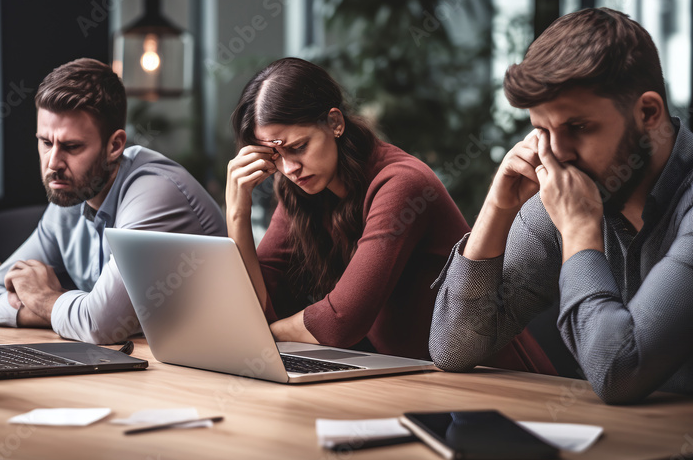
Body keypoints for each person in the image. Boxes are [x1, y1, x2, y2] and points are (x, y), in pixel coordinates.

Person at [430, 8, 693, 404]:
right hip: (621, 448)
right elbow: (453, 348)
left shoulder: (576, 208)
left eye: (579, 127)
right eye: (542, 130)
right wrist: (497, 209)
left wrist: (579, 233)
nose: (556, 154)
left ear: (648, 113)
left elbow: (619, 372)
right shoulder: (571, 189)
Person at [226, 57, 554, 369]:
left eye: (299, 147)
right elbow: (251, 304)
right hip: (418, 380)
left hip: (497, 379)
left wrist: (262, 335)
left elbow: (340, 323)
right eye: (275, 155)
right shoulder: (303, 193)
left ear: (335, 123)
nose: (289, 168)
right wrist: (238, 213)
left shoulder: (401, 184)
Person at [0, 58, 225, 344]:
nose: (53, 163)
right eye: (45, 142)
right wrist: (58, 311)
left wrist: (42, 298)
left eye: (71, 146)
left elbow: (101, 325)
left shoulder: (155, 193)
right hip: (139, 365)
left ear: (115, 146)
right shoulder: (69, 197)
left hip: (204, 370)